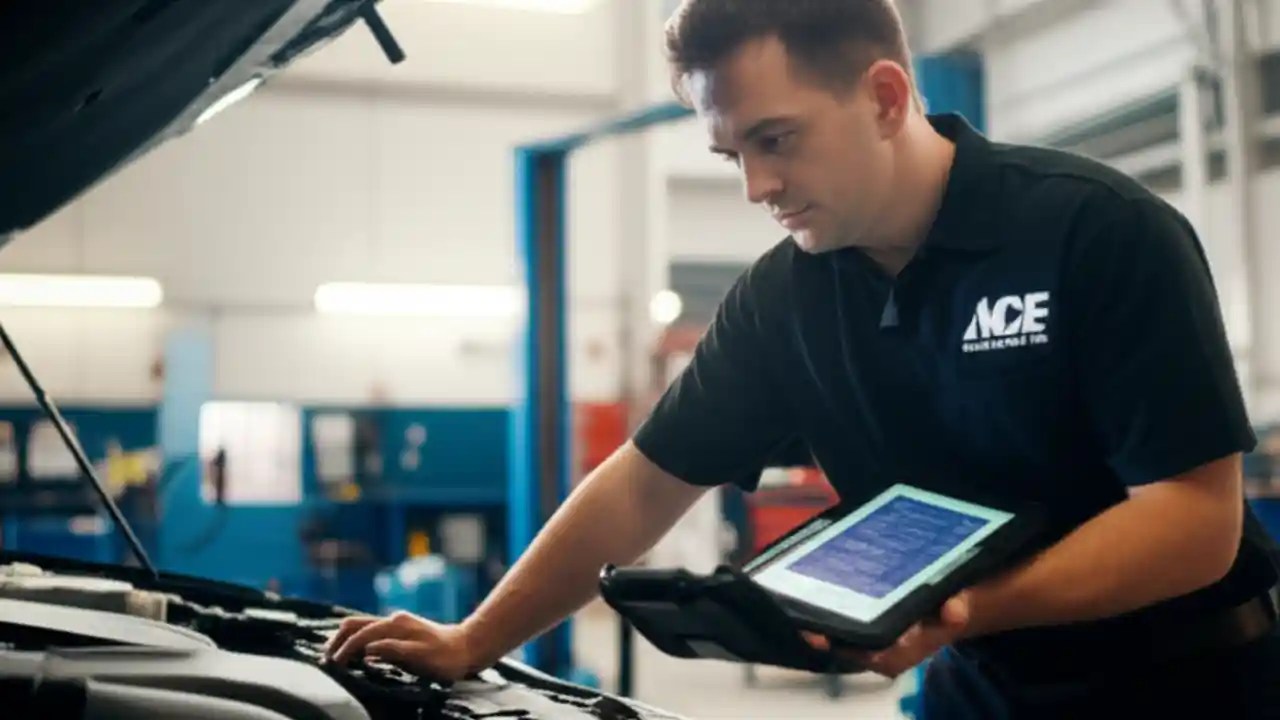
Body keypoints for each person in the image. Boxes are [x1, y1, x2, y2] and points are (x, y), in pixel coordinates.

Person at [325, 1, 1280, 716]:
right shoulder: (786, 297)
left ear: (885, 96)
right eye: (729, 153)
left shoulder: (1099, 234)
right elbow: (643, 486)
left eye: (775, 140)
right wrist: (474, 638)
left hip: (1190, 686)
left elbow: (1195, 524)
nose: (756, 186)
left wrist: (963, 611)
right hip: (977, 692)